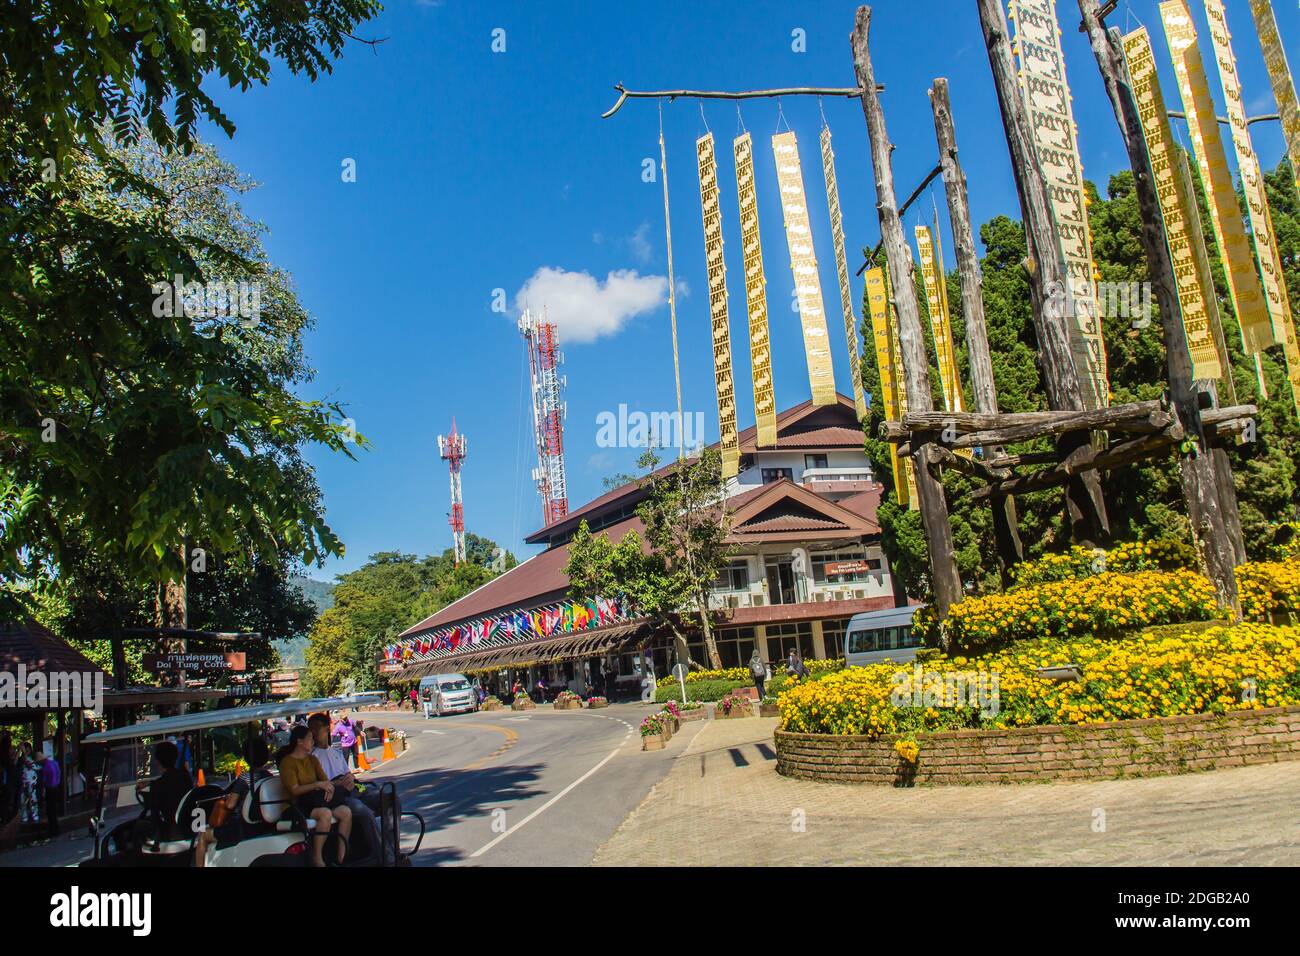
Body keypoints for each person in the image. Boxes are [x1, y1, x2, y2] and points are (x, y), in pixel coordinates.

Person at [308, 714, 386, 864]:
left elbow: (348, 772)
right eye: (311, 729)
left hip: (354, 787)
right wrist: (338, 783)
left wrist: (350, 777)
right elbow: (318, 784)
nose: (314, 732)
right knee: (365, 812)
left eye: (317, 728)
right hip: (339, 795)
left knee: (387, 797)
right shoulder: (312, 757)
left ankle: (391, 845)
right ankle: (382, 855)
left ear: (326, 728)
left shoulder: (335, 752)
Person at [193, 737, 274, 867]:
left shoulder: (244, 777)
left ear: (247, 757)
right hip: (260, 824)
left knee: (202, 835)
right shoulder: (268, 776)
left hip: (240, 826)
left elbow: (230, 804)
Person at [278, 725, 352, 867]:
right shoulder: (287, 763)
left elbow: (325, 781)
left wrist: (329, 788)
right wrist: (317, 785)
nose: (313, 741)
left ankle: (341, 857)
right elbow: (295, 790)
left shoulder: (312, 760)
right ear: (300, 742)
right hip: (295, 805)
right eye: (310, 739)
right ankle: (318, 859)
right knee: (325, 814)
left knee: (345, 812)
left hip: (313, 802)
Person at [135, 741, 193, 839]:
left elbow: (155, 813)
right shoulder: (185, 777)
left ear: (157, 761)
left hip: (173, 829)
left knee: (139, 826)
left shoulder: (159, 785)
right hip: (189, 823)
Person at [36, 749, 61, 837]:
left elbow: (51, 779)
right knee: (52, 810)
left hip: (51, 788)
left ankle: (53, 830)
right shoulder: (54, 763)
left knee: (51, 810)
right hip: (54, 787)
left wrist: (45, 785)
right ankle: (54, 829)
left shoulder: (48, 767)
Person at [17, 742, 40, 824]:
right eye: (25, 750)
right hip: (23, 782)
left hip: (32, 781)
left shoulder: (34, 758)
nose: (26, 751)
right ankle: (24, 816)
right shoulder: (21, 759)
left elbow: (30, 765)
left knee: (32, 799)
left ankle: (35, 814)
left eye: (28, 750)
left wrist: (24, 753)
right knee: (23, 799)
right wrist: (20, 751)